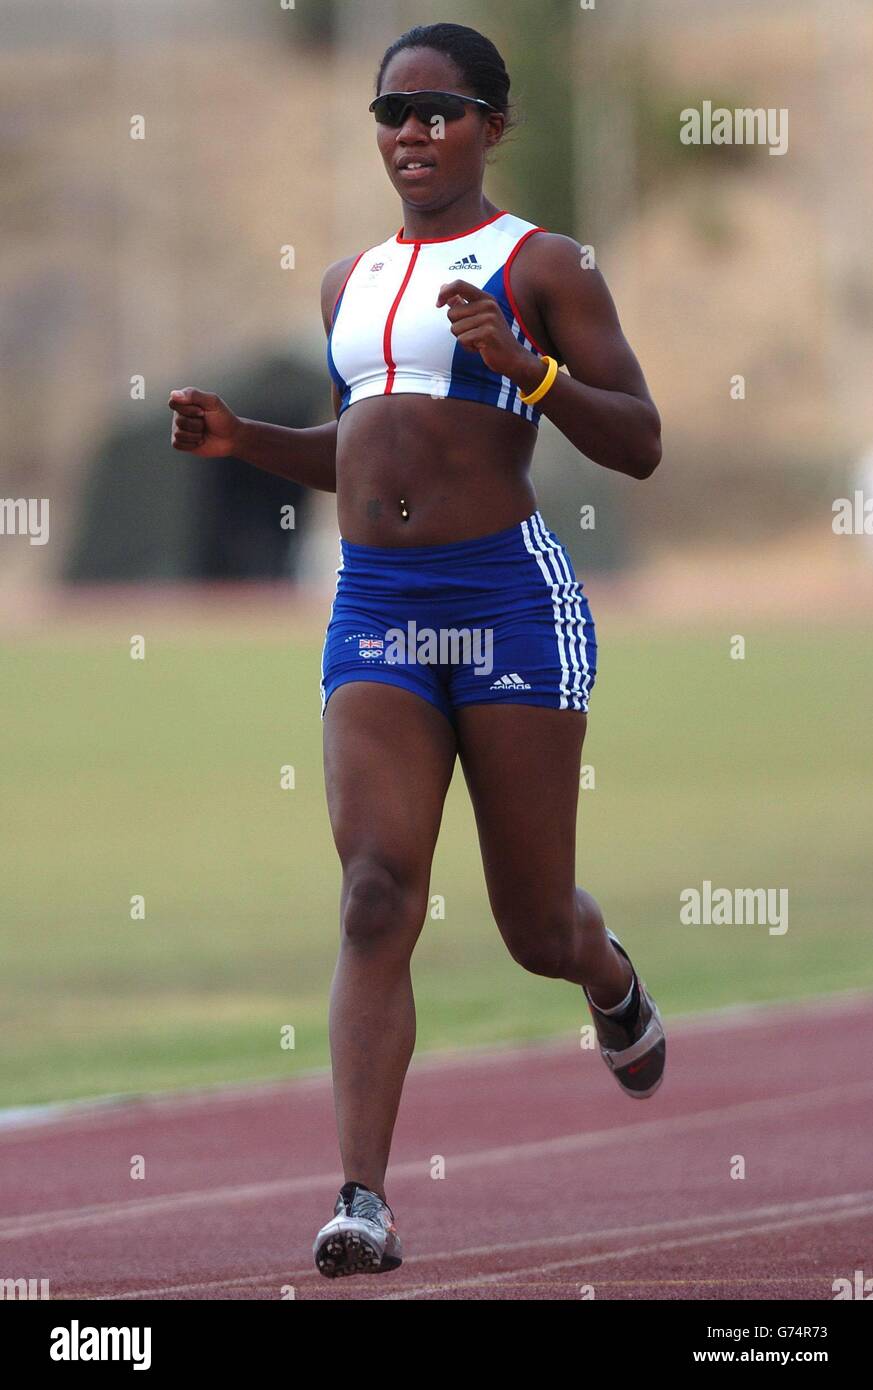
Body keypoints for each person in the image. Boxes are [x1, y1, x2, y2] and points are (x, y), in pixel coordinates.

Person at [168, 21, 664, 1281]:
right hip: (376, 605)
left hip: (505, 600)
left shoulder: (540, 263)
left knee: (532, 926)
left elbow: (641, 439)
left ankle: (605, 976)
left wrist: (531, 371)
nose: (411, 133)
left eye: (438, 111)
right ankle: (363, 1203)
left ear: (490, 127)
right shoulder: (345, 283)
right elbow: (362, 455)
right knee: (375, 892)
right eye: (391, 111)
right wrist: (244, 441)